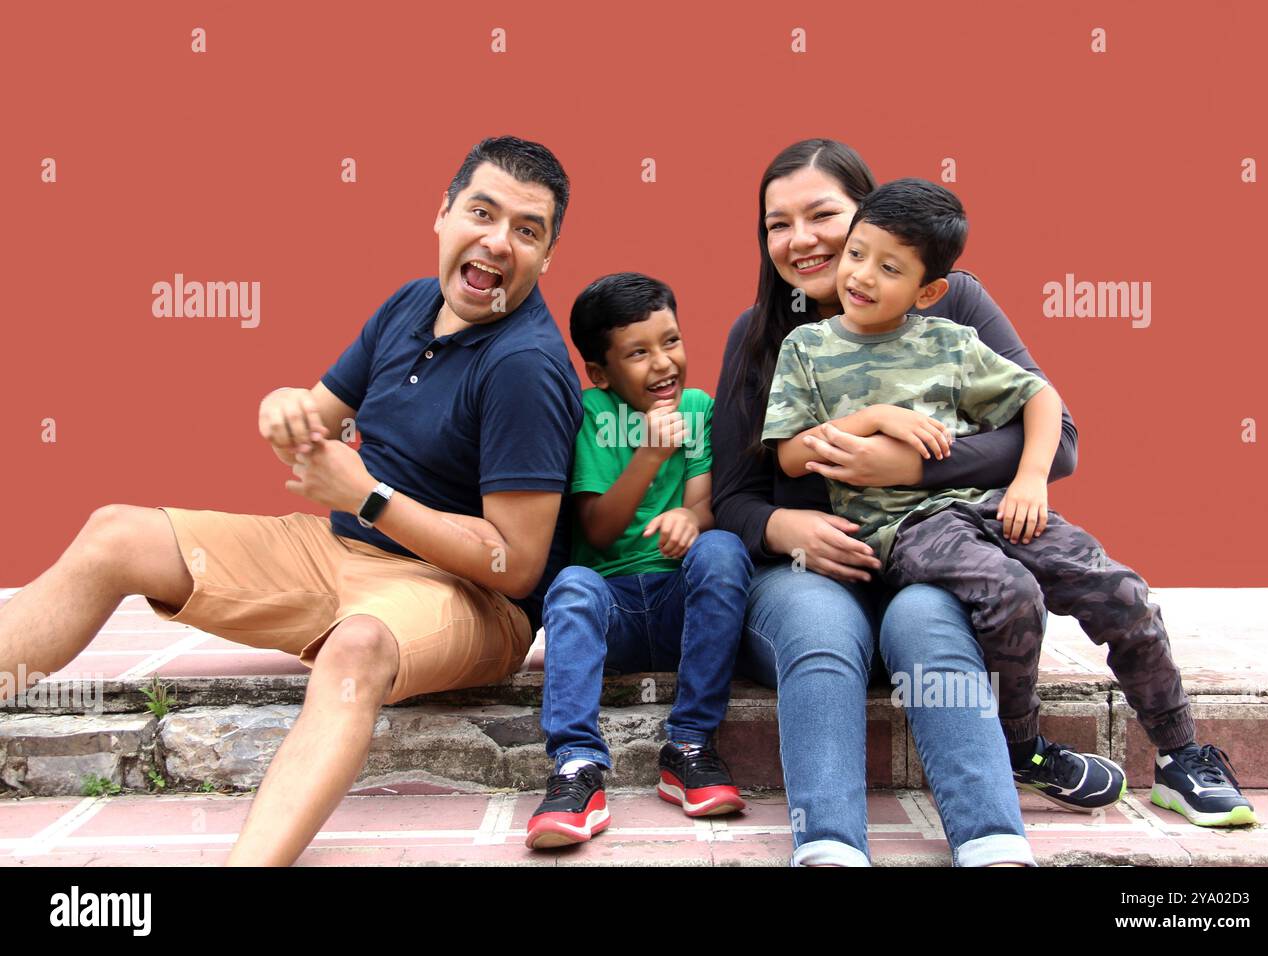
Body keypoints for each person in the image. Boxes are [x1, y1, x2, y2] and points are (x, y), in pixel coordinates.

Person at [0, 136, 585, 865]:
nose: (498, 242)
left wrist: (370, 498)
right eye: (483, 212)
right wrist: (284, 408)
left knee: (357, 648)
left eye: (527, 231)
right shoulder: (411, 304)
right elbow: (321, 420)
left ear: (548, 256)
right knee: (115, 533)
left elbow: (517, 565)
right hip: (339, 552)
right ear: (443, 214)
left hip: (467, 599)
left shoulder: (525, 366)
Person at [765, 178, 1255, 827]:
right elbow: (790, 455)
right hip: (905, 528)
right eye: (857, 254)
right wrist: (874, 416)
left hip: (995, 505)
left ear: (929, 290)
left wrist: (1029, 479)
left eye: (889, 267)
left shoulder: (949, 341)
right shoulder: (809, 348)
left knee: (1122, 590)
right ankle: (1021, 744)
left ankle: (1181, 755)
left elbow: (1041, 400)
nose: (860, 275)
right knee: (1010, 592)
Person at [713, 139, 1062, 867]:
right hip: (807, 575)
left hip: (924, 562)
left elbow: (1056, 440)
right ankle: (830, 845)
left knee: (931, 623)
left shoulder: (952, 302)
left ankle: (995, 840)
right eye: (777, 223)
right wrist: (786, 524)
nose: (800, 239)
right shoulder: (758, 339)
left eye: (822, 215)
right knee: (820, 631)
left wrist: (907, 465)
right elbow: (734, 498)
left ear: (867, 216)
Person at [527, 273, 753, 850]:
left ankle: (690, 745)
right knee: (572, 582)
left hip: (683, 609)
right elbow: (599, 531)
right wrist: (651, 452)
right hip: (616, 611)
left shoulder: (699, 408)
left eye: (671, 341)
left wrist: (692, 520)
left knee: (723, 548)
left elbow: (703, 503)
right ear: (601, 373)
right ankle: (576, 767)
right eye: (638, 352)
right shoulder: (592, 415)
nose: (663, 363)